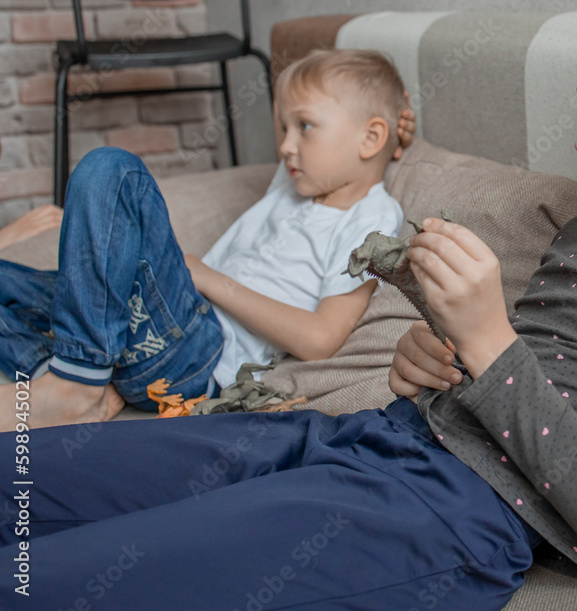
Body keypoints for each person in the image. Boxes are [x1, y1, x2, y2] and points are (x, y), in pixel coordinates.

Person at [0, 0, 577, 609]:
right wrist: (445, 355)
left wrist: (489, 344)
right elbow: (531, 374)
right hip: (375, 437)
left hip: (447, 515)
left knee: (56, 580)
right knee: (38, 476)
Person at [0, 49, 415, 430]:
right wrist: (390, 129)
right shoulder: (296, 183)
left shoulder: (370, 216)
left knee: (111, 169)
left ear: (371, 139)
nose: (286, 146)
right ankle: (68, 378)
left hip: (201, 355)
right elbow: (350, 127)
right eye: (284, 127)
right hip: (158, 331)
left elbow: (321, 339)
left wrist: (207, 277)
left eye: (304, 126)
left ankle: (78, 383)